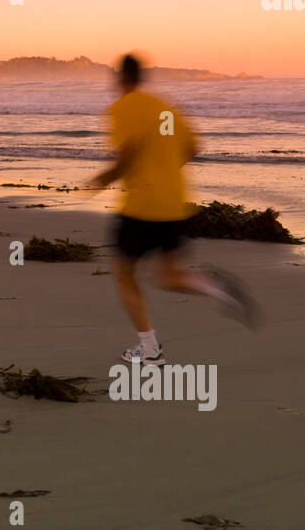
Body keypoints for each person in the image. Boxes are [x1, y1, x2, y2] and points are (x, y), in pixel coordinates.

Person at [84, 53, 260, 365]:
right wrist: (165, 171)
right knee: (168, 275)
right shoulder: (165, 106)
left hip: (141, 205)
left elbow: (128, 152)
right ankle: (217, 288)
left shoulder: (123, 107)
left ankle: (150, 348)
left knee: (124, 274)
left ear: (119, 78)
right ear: (142, 76)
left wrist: (102, 179)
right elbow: (193, 147)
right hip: (175, 202)